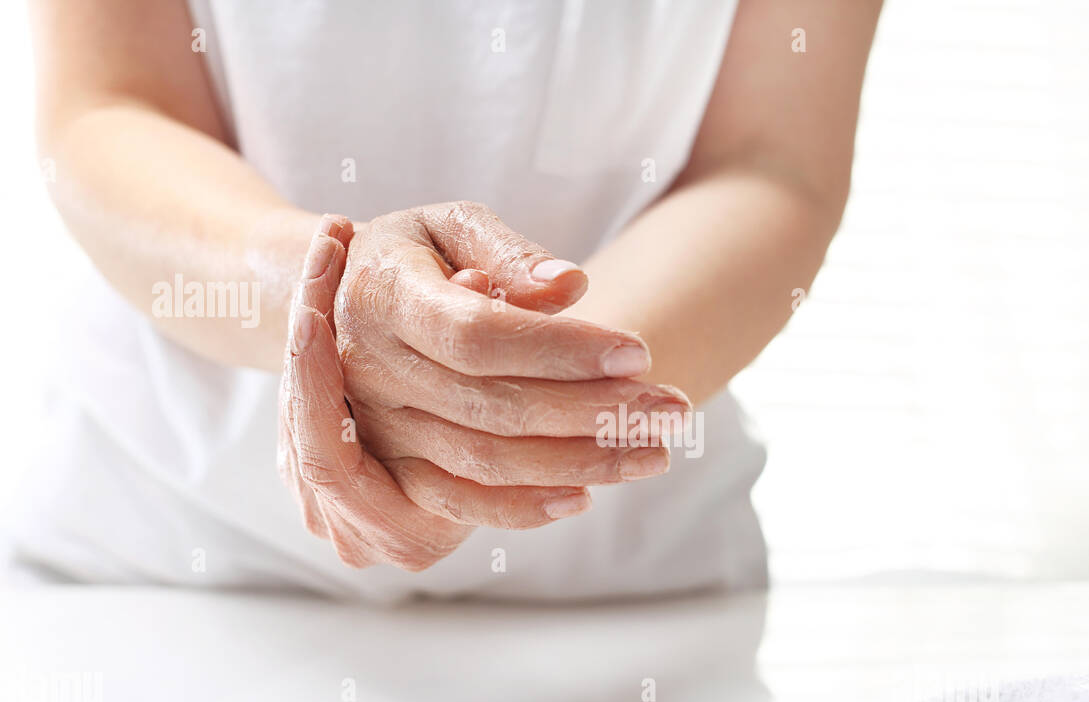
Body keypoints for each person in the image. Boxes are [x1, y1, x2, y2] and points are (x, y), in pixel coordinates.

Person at [18, 0, 877, 601]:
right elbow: (110, 101)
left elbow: (771, 161)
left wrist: (517, 398)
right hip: (162, 568)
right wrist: (332, 299)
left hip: (625, 603)